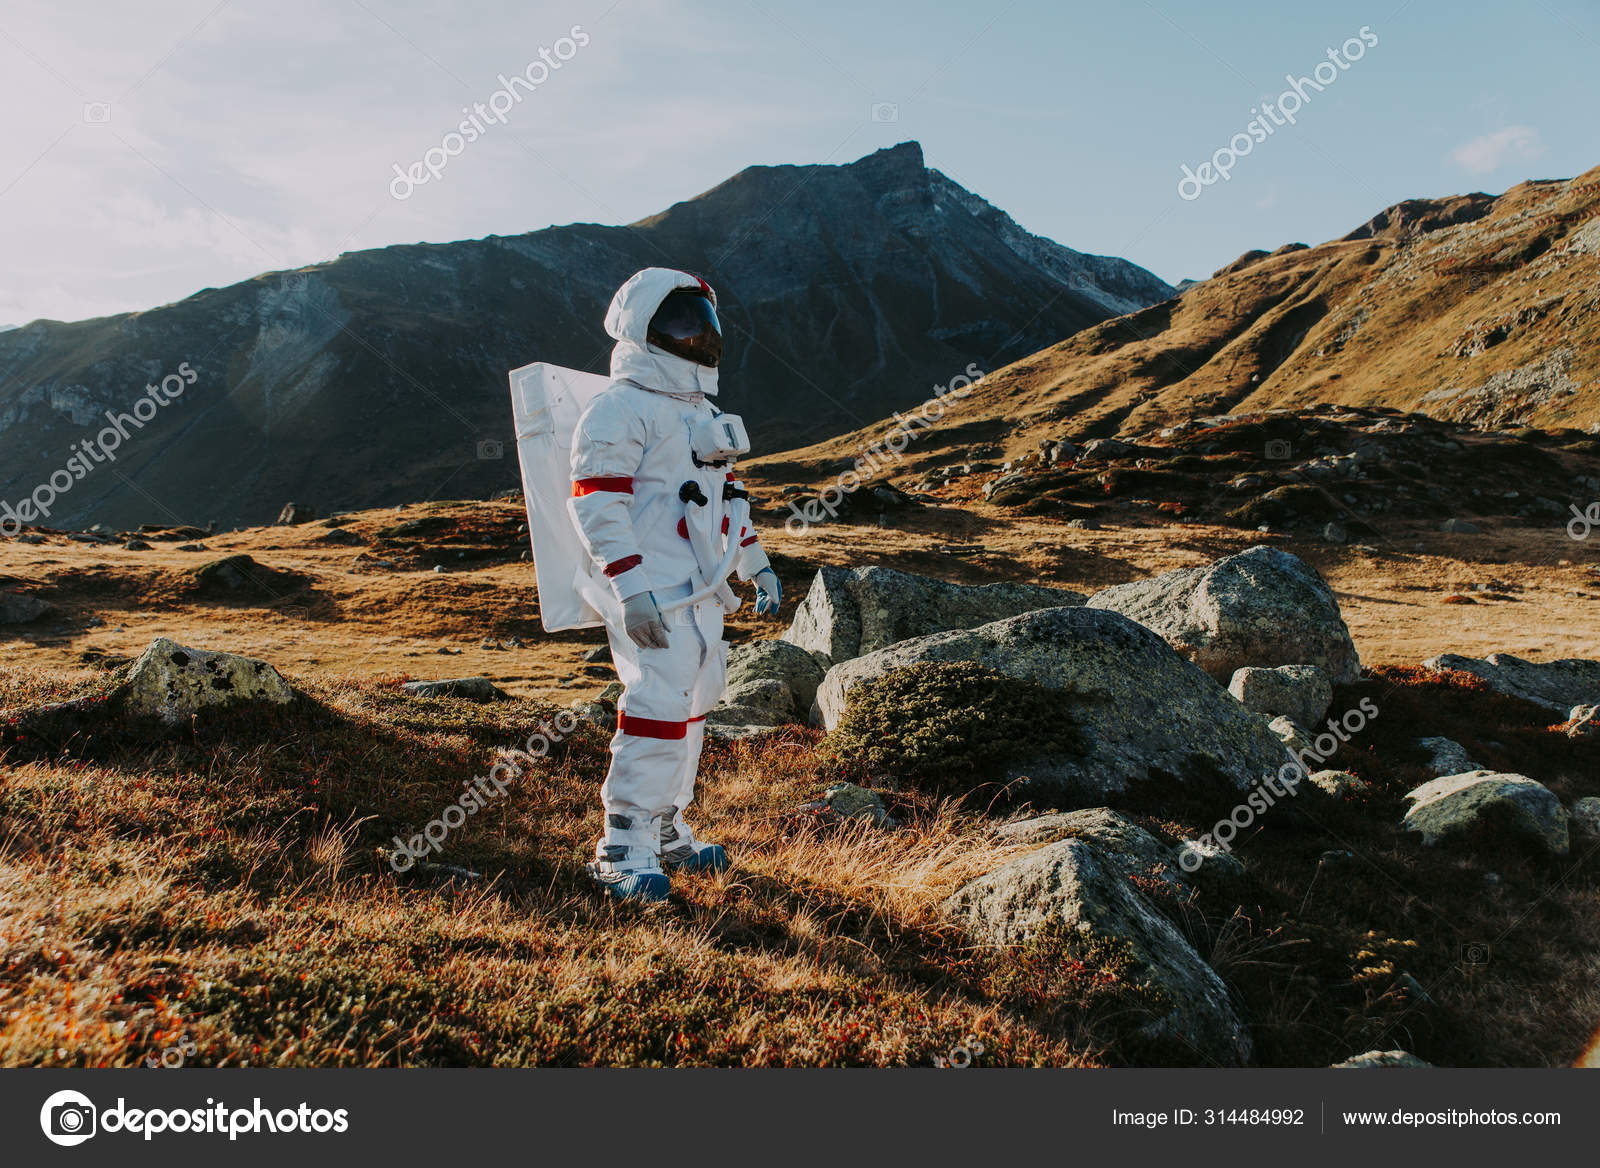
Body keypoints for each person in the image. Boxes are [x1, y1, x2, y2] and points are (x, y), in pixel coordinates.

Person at [568, 267, 782, 902]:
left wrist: (756, 564)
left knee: (693, 704)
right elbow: (595, 504)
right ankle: (621, 844)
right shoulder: (620, 407)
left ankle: (665, 828)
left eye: (705, 321)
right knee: (656, 707)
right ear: (644, 328)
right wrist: (629, 589)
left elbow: (727, 501)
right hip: (653, 591)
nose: (700, 335)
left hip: (698, 590)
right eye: (683, 321)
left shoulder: (701, 412)